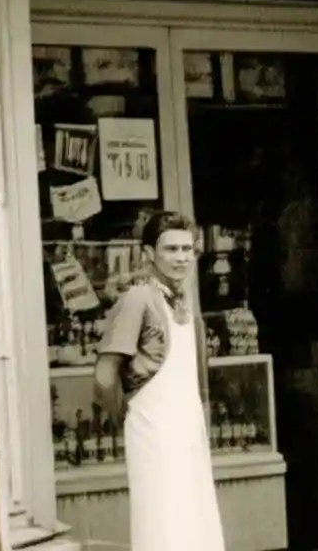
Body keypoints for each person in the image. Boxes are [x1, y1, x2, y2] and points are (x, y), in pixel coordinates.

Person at [93, 211, 224, 550]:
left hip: (187, 431)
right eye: (171, 249)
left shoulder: (183, 303)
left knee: (195, 523)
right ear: (149, 253)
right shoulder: (138, 299)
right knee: (162, 525)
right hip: (153, 432)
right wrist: (128, 415)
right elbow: (105, 375)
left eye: (187, 249)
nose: (182, 258)